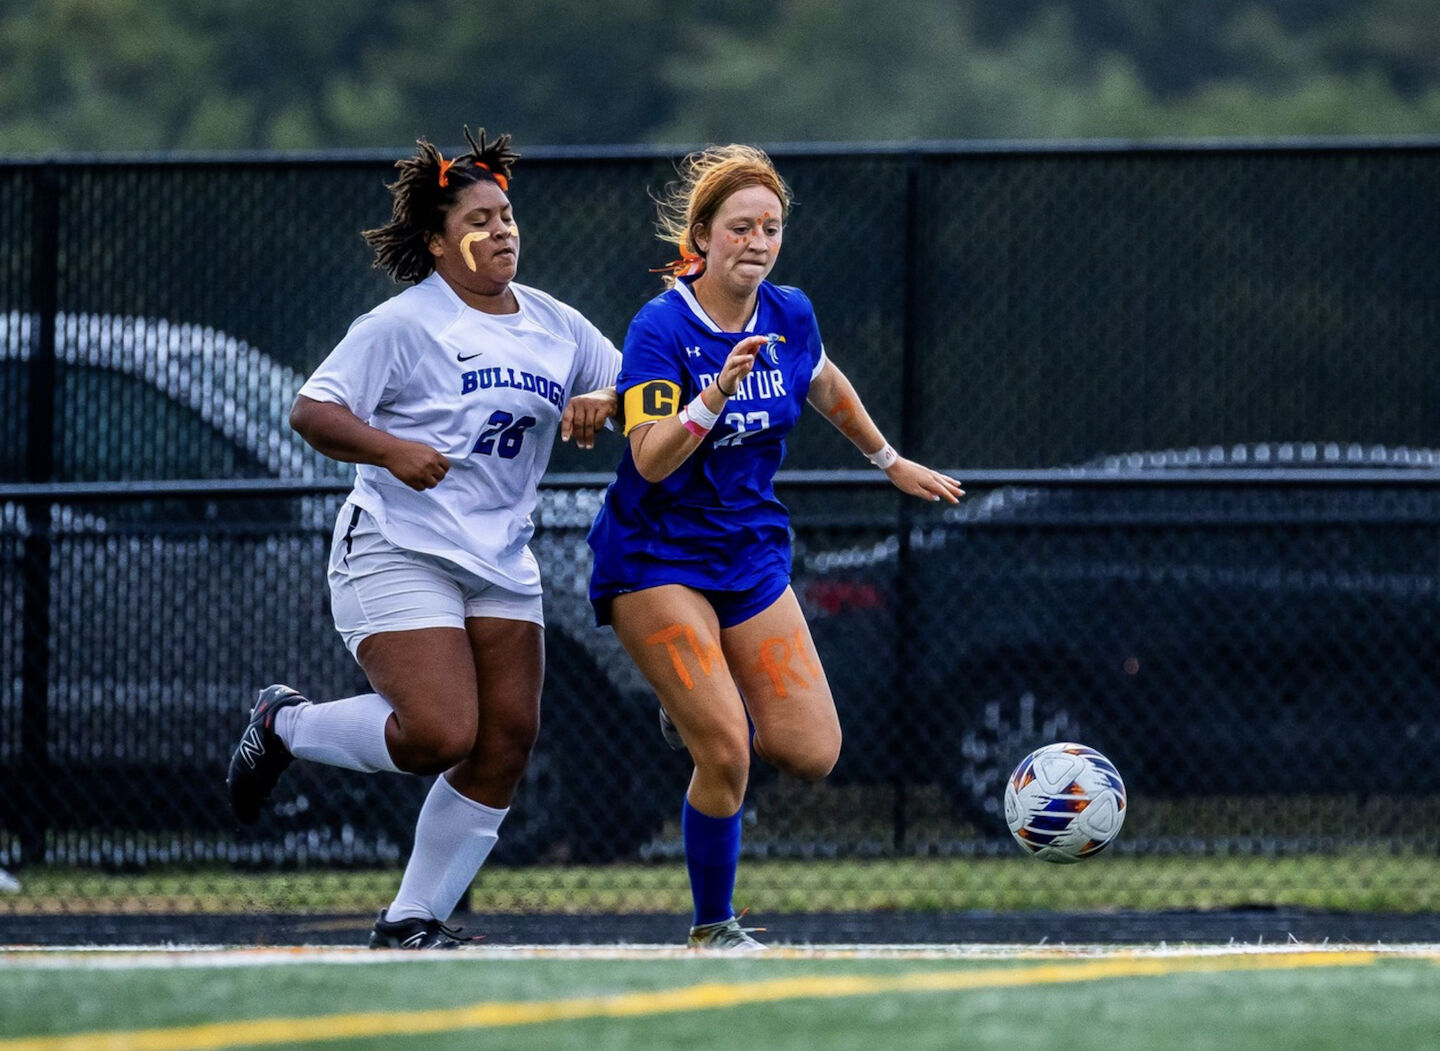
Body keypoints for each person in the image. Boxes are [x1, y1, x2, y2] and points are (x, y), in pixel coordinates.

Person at [226, 127, 622, 949]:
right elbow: (313, 411)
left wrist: (610, 399)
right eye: (477, 221)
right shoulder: (402, 325)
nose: (501, 230)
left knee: (506, 738)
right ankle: (285, 724)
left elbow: (638, 383)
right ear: (438, 243)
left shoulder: (556, 324)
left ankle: (412, 917)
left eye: (506, 215)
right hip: (397, 546)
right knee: (442, 733)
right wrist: (392, 448)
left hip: (500, 559)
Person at [586, 144, 963, 950]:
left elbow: (826, 385)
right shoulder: (661, 328)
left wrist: (888, 460)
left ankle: (684, 701)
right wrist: (716, 391)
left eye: (772, 227)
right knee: (726, 750)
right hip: (657, 554)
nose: (757, 241)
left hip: (749, 552)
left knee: (812, 751)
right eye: (740, 227)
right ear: (702, 235)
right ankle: (713, 924)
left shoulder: (790, 311)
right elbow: (650, 457)